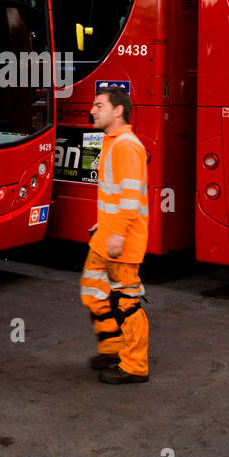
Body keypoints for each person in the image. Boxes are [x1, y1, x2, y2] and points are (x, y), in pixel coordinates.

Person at [79, 87, 150, 384]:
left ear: (118, 110)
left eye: (99, 105)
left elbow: (131, 198)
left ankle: (135, 366)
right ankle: (113, 348)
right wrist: (103, 223)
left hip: (122, 240)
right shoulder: (111, 142)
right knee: (93, 291)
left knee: (127, 302)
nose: (92, 110)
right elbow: (115, 193)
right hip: (106, 234)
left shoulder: (126, 146)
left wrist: (118, 233)